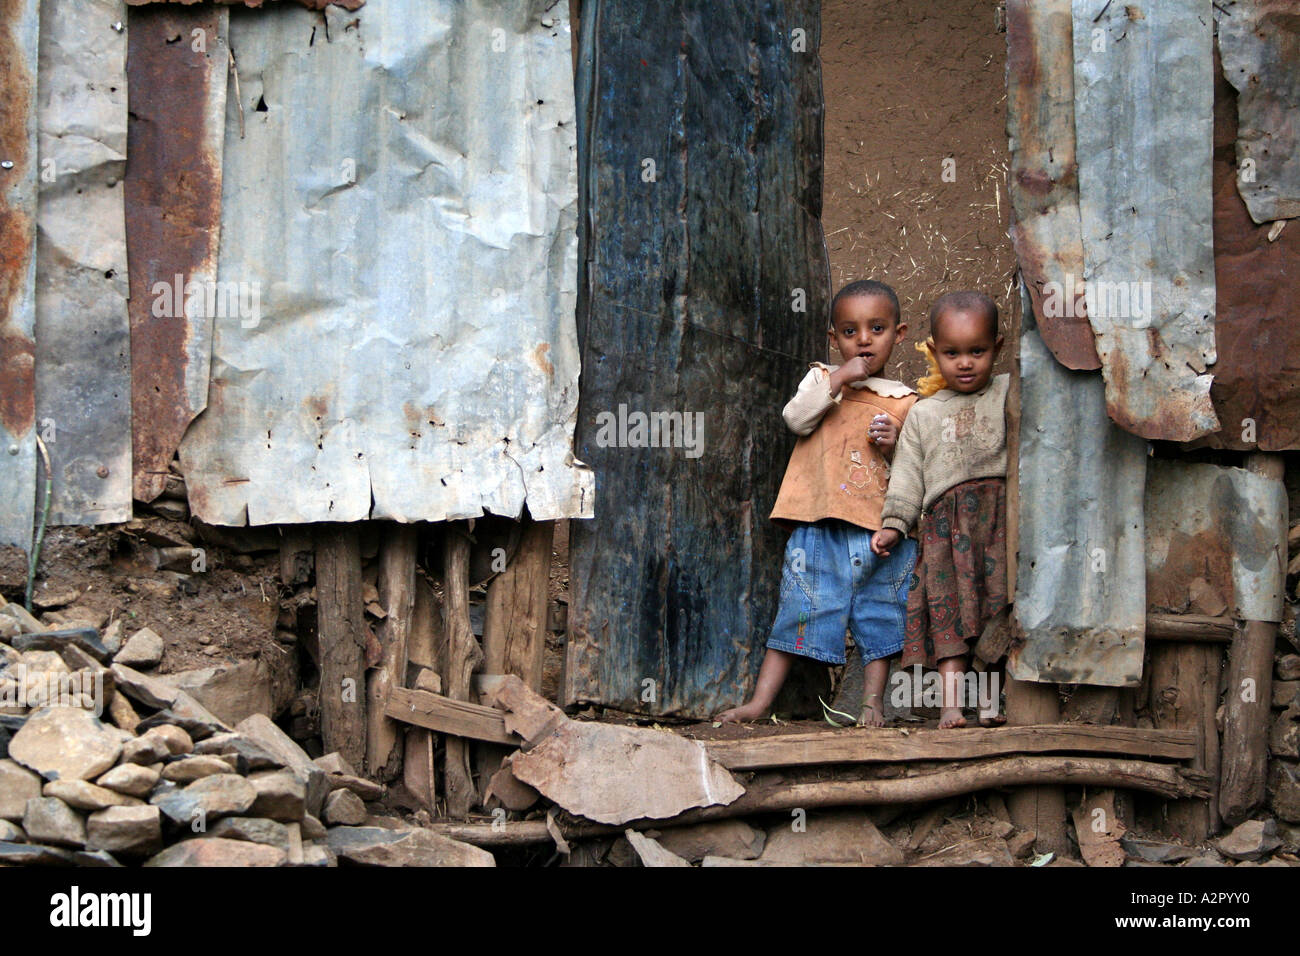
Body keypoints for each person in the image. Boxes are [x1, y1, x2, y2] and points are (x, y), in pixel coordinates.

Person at [718, 280, 917, 727]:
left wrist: (895, 444)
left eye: (877, 328)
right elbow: (796, 419)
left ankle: (872, 703)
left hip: (880, 532)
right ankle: (759, 703)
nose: (863, 340)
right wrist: (840, 378)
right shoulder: (821, 378)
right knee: (798, 607)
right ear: (834, 340)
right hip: (818, 527)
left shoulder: (907, 401)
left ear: (899, 334)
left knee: (881, 612)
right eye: (849, 332)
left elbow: (915, 469)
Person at [870, 290, 1009, 728]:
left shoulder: (1010, 393)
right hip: (946, 533)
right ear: (934, 351)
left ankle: (989, 704)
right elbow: (908, 475)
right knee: (950, 620)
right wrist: (894, 524)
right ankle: (951, 707)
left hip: (1001, 525)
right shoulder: (924, 414)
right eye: (952, 353)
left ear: (998, 349)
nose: (965, 363)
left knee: (995, 616)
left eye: (977, 351)